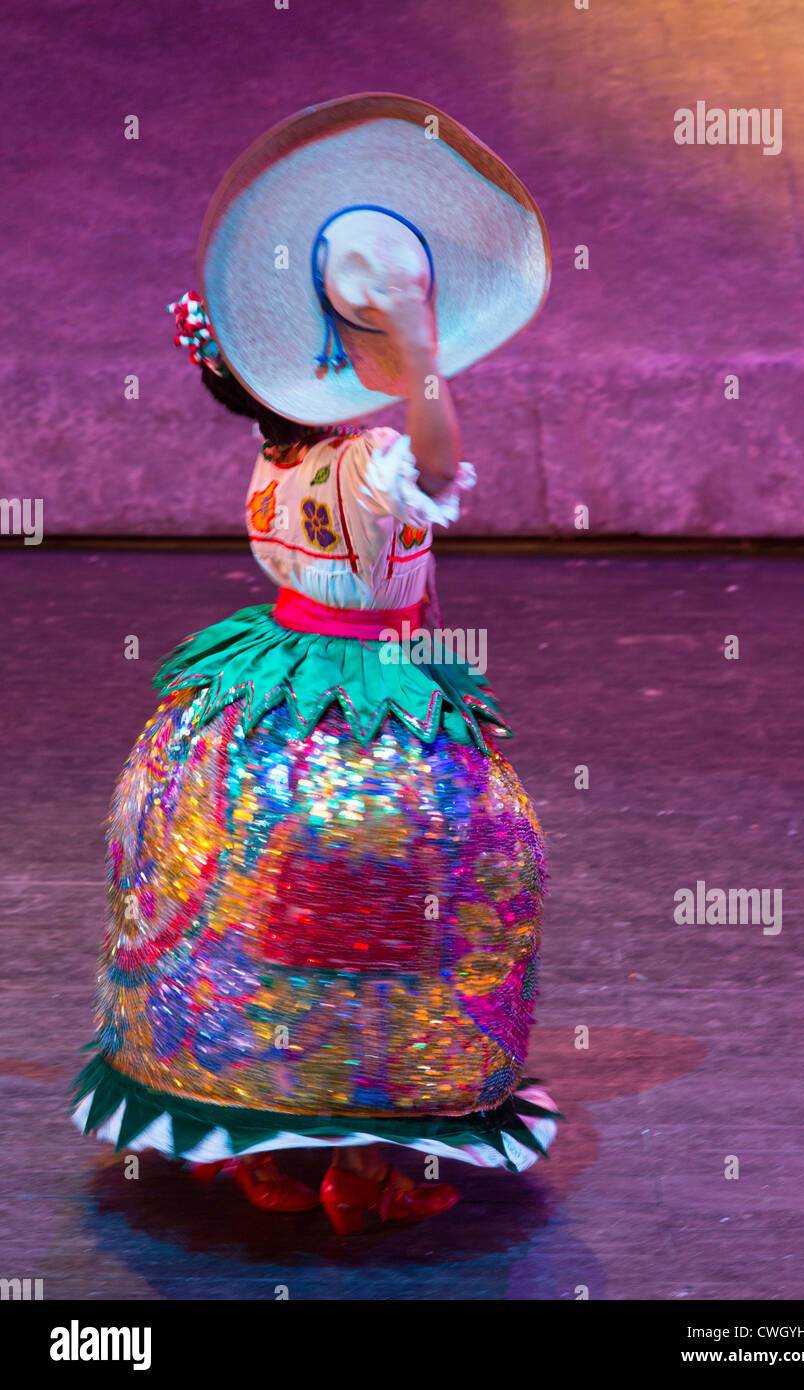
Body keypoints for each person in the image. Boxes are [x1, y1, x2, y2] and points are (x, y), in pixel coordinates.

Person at [72, 95, 558, 1234]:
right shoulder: (377, 459)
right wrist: (424, 360)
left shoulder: (273, 460)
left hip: (262, 694)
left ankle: (264, 1138)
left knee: (249, 895)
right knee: (423, 883)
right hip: (367, 709)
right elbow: (437, 464)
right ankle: (368, 1148)